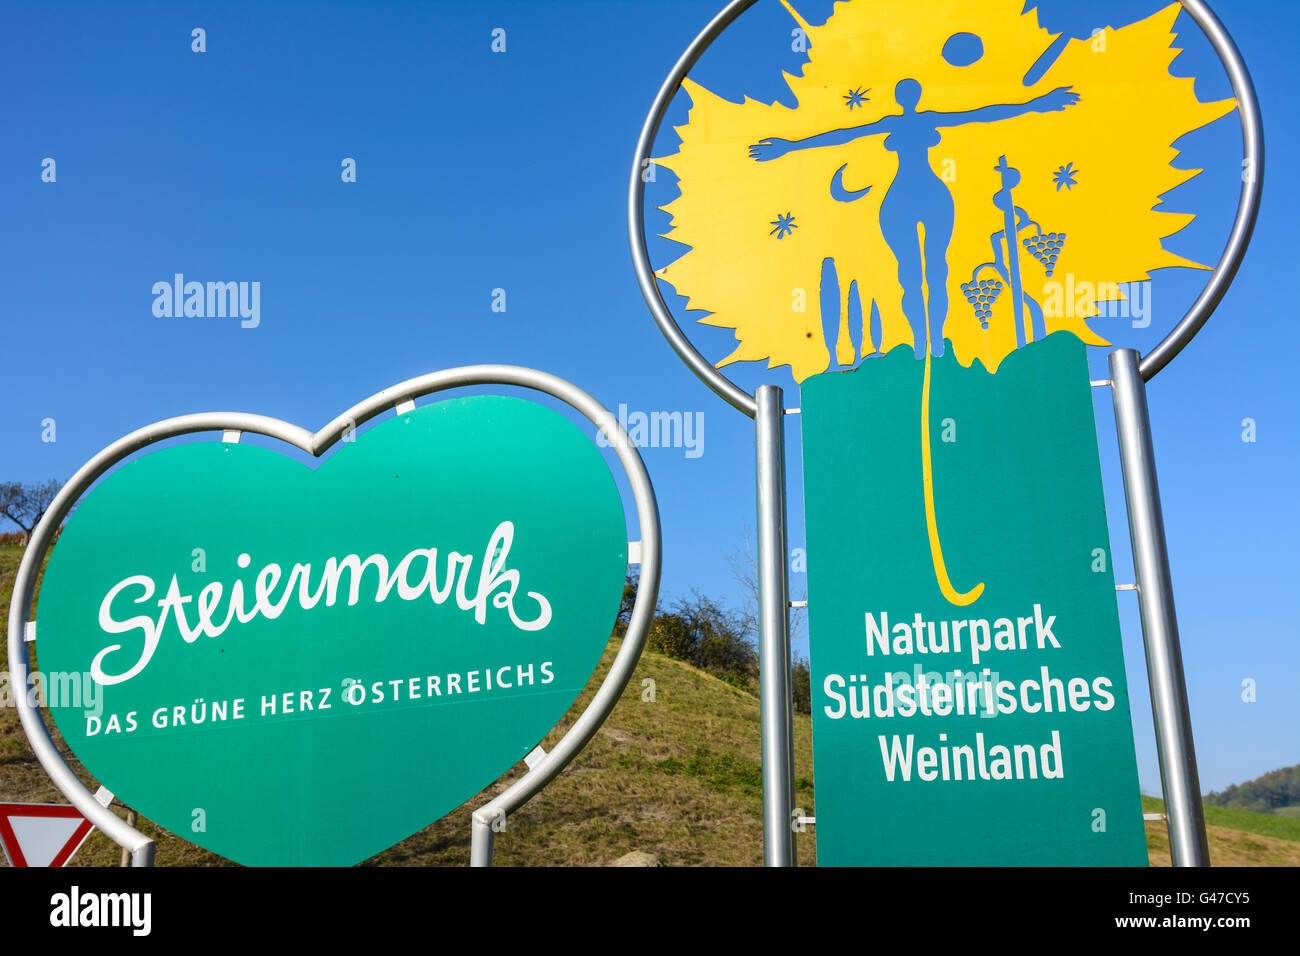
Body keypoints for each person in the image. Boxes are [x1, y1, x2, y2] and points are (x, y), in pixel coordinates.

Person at [751, 78, 1079, 357]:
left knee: (936, 269)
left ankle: (935, 344)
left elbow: (979, 115)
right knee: (911, 273)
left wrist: (1035, 104)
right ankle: (922, 346)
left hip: (931, 195)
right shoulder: (895, 122)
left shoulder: (922, 119)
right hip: (903, 198)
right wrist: (790, 146)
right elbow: (844, 134)